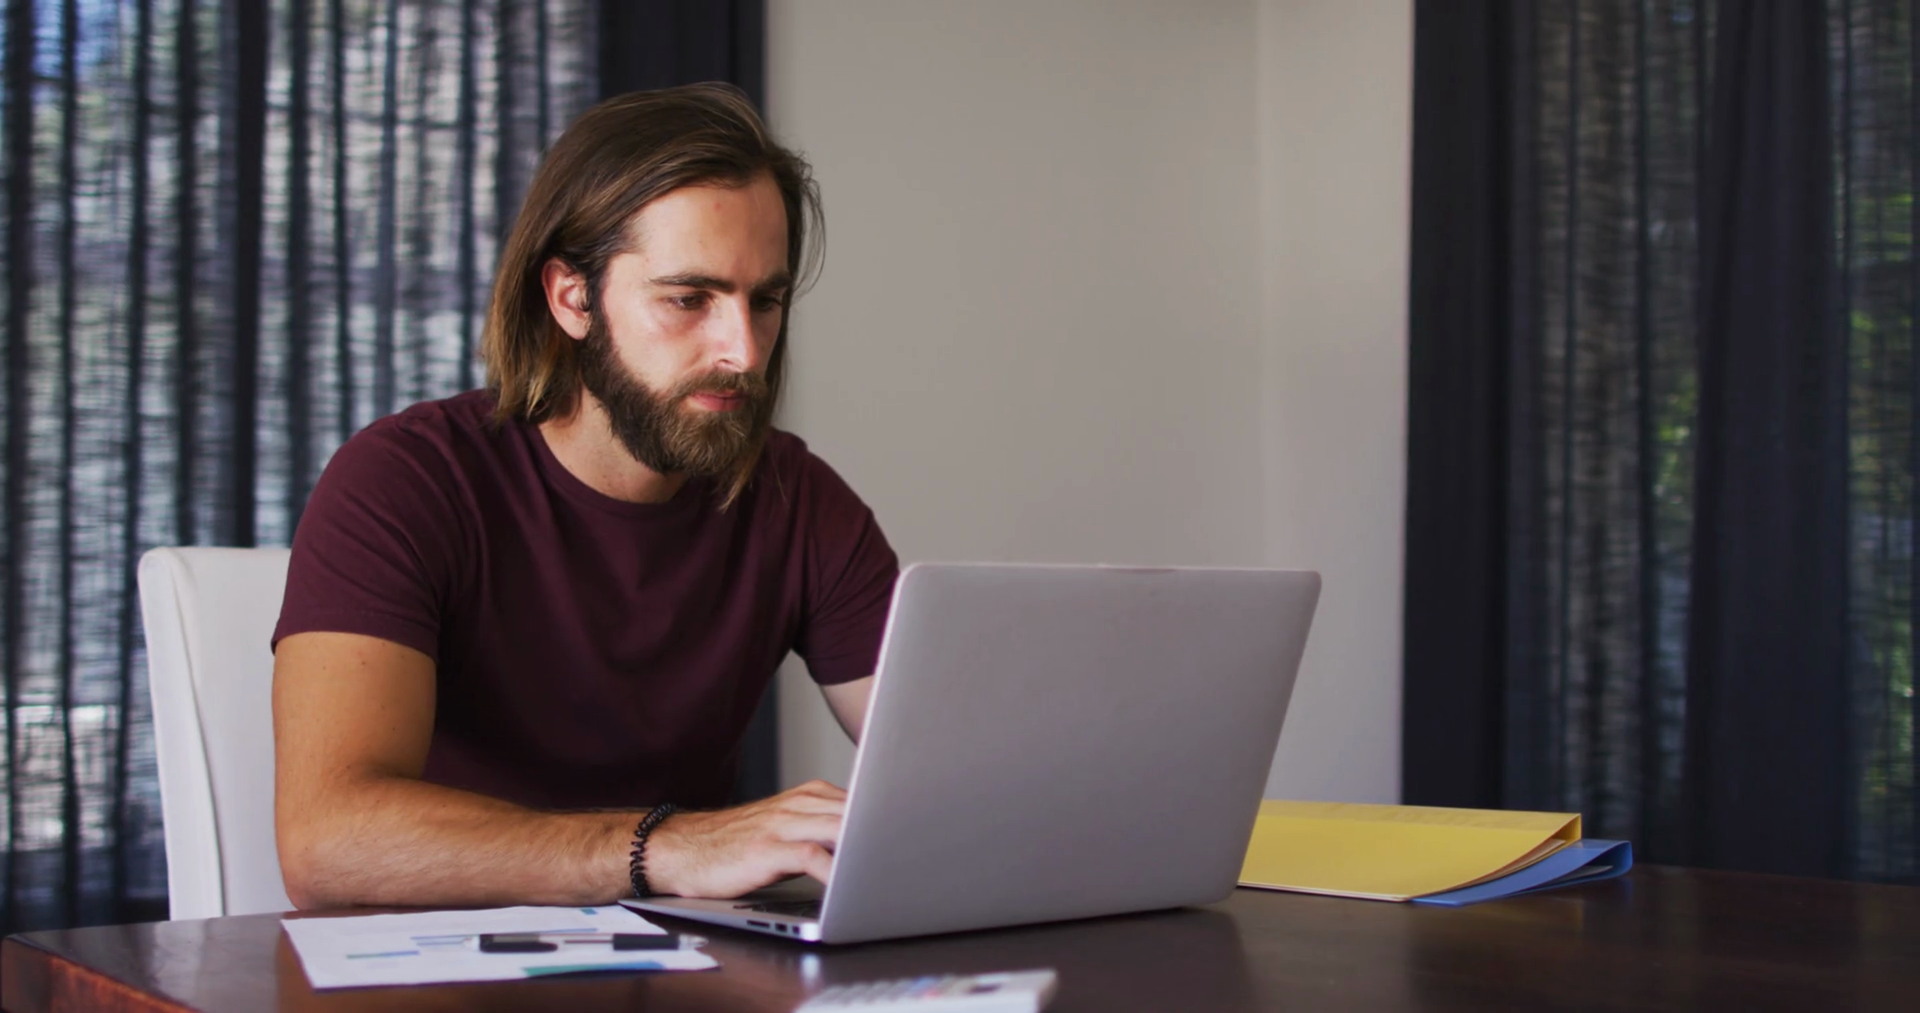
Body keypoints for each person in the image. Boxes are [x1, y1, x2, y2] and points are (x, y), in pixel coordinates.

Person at [270, 83, 898, 910]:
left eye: (766, 300)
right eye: (688, 298)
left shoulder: (797, 500)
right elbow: (327, 840)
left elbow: (957, 769)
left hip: (684, 973)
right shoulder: (405, 481)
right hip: (440, 976)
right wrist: (665, 847)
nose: (743, 350)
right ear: (572, 297)